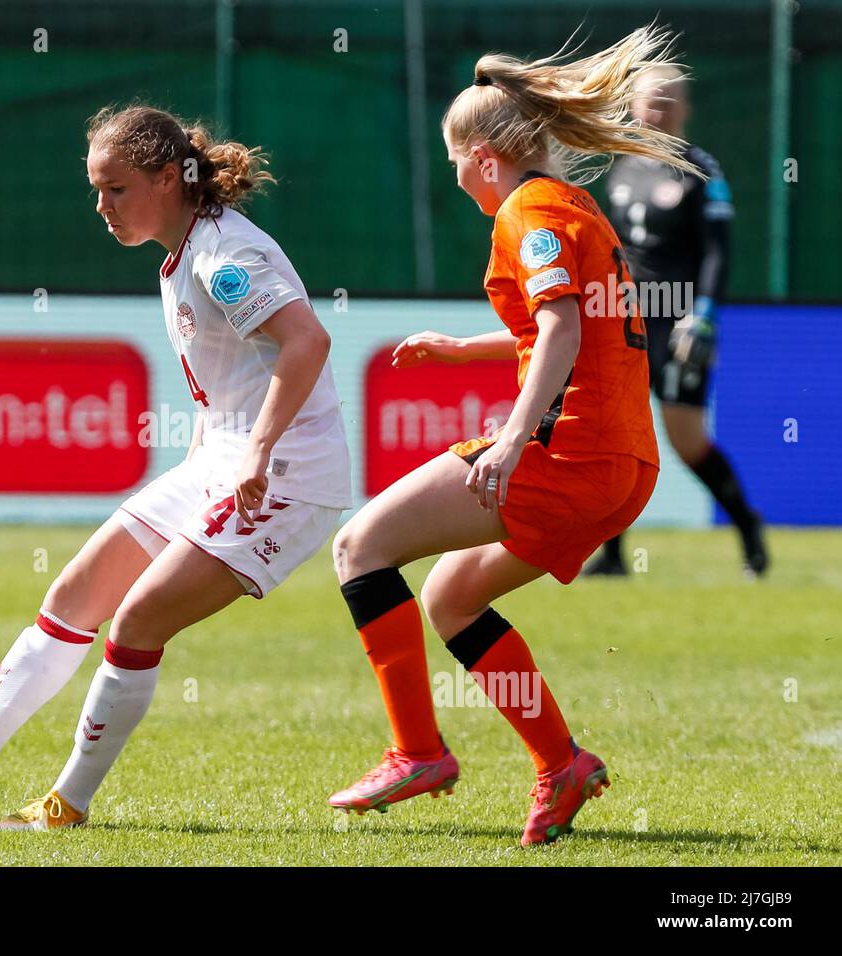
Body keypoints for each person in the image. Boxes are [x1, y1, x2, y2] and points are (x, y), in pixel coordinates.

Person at [324, 26, 690, 846]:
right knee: (452, 598)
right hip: (625, 466)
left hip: (572, 452)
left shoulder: (527, 211)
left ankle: (416, 751)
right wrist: (468, 348)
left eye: (456, 160)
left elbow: (560, 329)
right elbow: (571, 327)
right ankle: (560, 765)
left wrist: (513, 438)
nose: (455, 176)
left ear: (484, 155)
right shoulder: (572, 206)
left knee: (359, 547)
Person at [0, 105, 351, 829]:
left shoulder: (225, 259)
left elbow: (307, 343)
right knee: (75, 595)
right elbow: (237, 374)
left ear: (167, 178)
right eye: (95, 191)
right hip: (222, 460)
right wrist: (208, 455)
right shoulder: (185, 250)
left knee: (135, 623)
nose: (101, 208)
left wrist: (254, 451)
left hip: (284, 475)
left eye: (116, 190)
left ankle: (67, 804)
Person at [584, 66, 767, 577]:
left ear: (685, 109)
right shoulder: (619, 166)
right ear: (634, 106)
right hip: (625, 320)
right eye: (649, 101)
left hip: (680, 321)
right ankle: (615, 557)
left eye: (668, 101)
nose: (658, 111)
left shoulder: (701, 171)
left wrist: (702, 316)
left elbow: (717, 254)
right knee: (615, 433)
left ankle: (749, 528)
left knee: (686, 440)